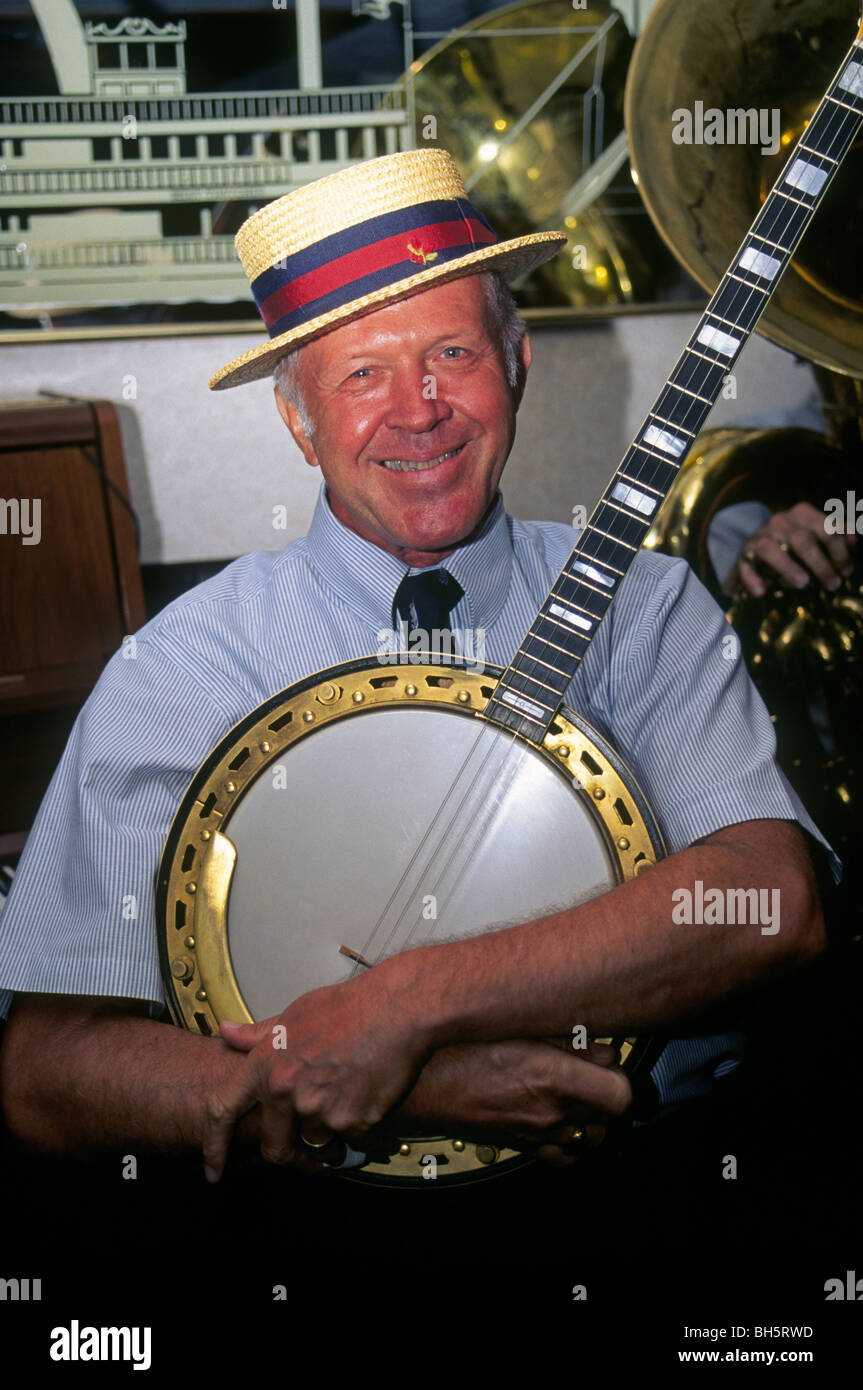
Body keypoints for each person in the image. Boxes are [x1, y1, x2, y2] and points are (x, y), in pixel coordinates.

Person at [0, 150, 833, 1192]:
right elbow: (43, 1072)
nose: (419, 407)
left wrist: (412, 1002)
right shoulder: (181, 670)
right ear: (296, 419)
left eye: (452, 350)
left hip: (648, 1182)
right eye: (360, 374)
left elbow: (769, 902)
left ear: (518, 359)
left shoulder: (645, 606)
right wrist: (386, 1087)